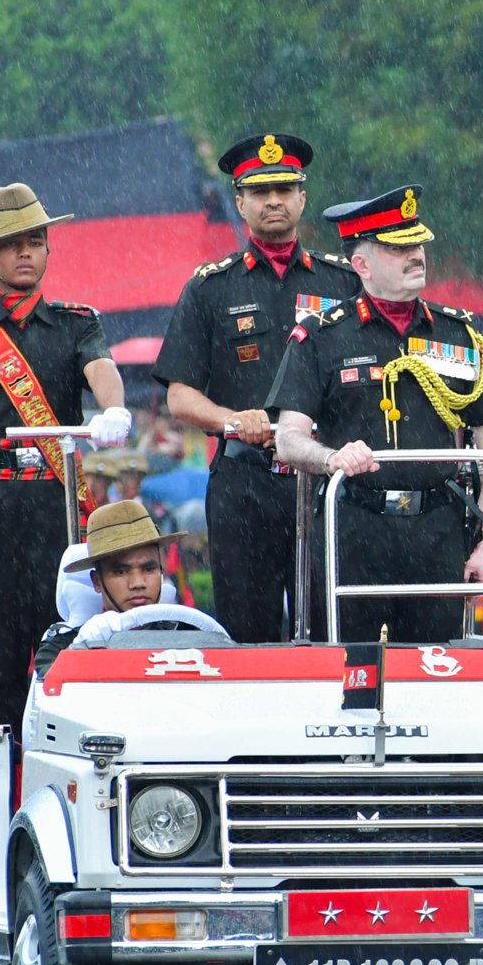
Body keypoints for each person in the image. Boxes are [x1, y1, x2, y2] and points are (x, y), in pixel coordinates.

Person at [0, 182, 133, 734]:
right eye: (12, 243)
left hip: (54, 502)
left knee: (62, 637)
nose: (25, 253)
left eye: (36, 241)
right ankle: (2, 778)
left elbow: (101, 369)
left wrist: (114, 410)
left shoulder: (76, 322)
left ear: (48, 249)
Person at [268, 184, 483, 644]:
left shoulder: (457, 335)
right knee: (347, 671)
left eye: (417, 245)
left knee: (436, 670)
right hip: (356, 526)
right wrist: (332, 457)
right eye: (399, 249)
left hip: (437, 530)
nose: (416, 256)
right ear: (362, 265)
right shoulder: (322, 337)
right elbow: (288, 439)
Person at [154, 134, 361, 641]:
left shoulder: (343, 283)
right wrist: (231, 420)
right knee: (247, 633)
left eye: (286, 188)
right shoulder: (210, 287)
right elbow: (179, 396)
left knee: (332, 627)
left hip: (322, 483)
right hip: (243, 483)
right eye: (260, 190)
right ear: (240, 202)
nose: (274, 200)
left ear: (302, 199)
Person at [32, 499, 227, 680]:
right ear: (97, 582)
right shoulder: (62, 644)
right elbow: (57, 689)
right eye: (121, 572)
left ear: (161, 570)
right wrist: (84, 648)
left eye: (149, 569)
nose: (138, 583)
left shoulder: (191, 634)